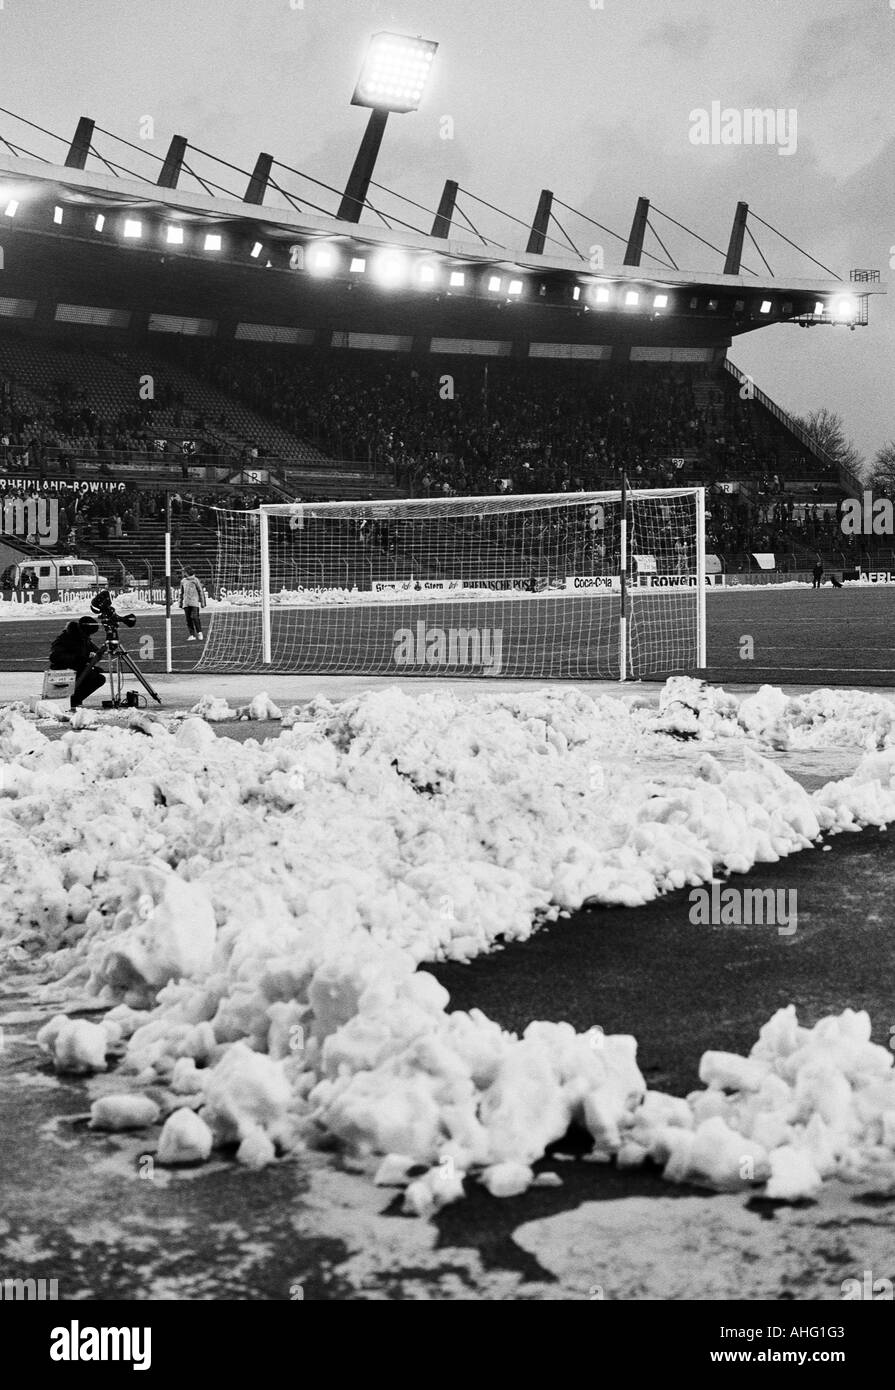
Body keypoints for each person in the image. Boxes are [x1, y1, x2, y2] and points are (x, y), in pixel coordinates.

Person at [49, 616, 105, 709]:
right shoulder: (66, 638)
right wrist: (80, 658)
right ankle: (73, 700)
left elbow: (94, 650)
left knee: (98, 677)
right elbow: (55, 657)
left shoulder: (83, 637)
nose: (89, 636)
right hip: (64, 671)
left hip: (77, 669)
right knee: (95, 677)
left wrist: (93, 656)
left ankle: (75, 699)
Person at [178, 568, 207, 641]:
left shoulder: (195, 580)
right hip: (186, 603)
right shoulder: (183, 581)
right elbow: (181, 592)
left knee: (195, 617)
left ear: (187, 572)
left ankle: (199, 632)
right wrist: (180, 602)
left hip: (194, 602)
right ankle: (192, 635)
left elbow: (200, 591)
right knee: (188, 620)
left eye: (184, 572)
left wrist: (203, 602)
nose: (182, 573)